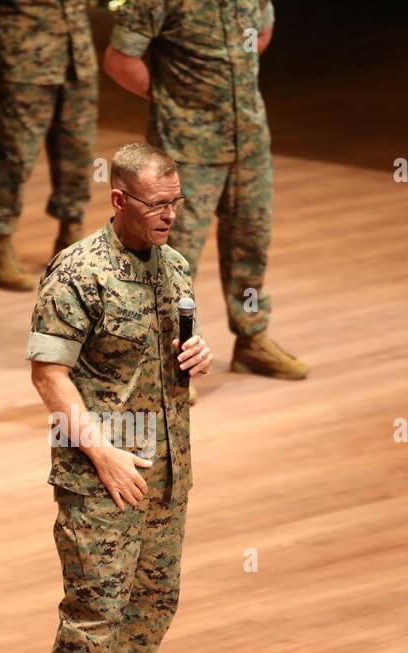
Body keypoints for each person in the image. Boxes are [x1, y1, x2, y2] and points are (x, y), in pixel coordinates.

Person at [28, 142, 213, 653]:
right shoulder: (78, 273)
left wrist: (199, 353)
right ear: (119, 200)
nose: (169, 216)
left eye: (175, 203)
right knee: (94, 610)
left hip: (164, 465)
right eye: (157, 205)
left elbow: (182, 353)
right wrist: (102, 452)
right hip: (101, 467)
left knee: (154, 598)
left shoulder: (175, 266)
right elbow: (48, 375)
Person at [104, 0, 309, 381]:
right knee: (173, 256)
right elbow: (120, 58)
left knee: (250, 241)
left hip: (247, 141)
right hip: (188, 149)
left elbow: (262, 31)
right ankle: (166, 359)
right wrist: (169, 100)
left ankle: (252, 338)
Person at [0, 0, 97, 292]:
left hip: (77, 53)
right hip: (25, 54)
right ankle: (0, 247)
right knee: (14, 155)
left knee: (77, 150)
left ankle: (71, 237)